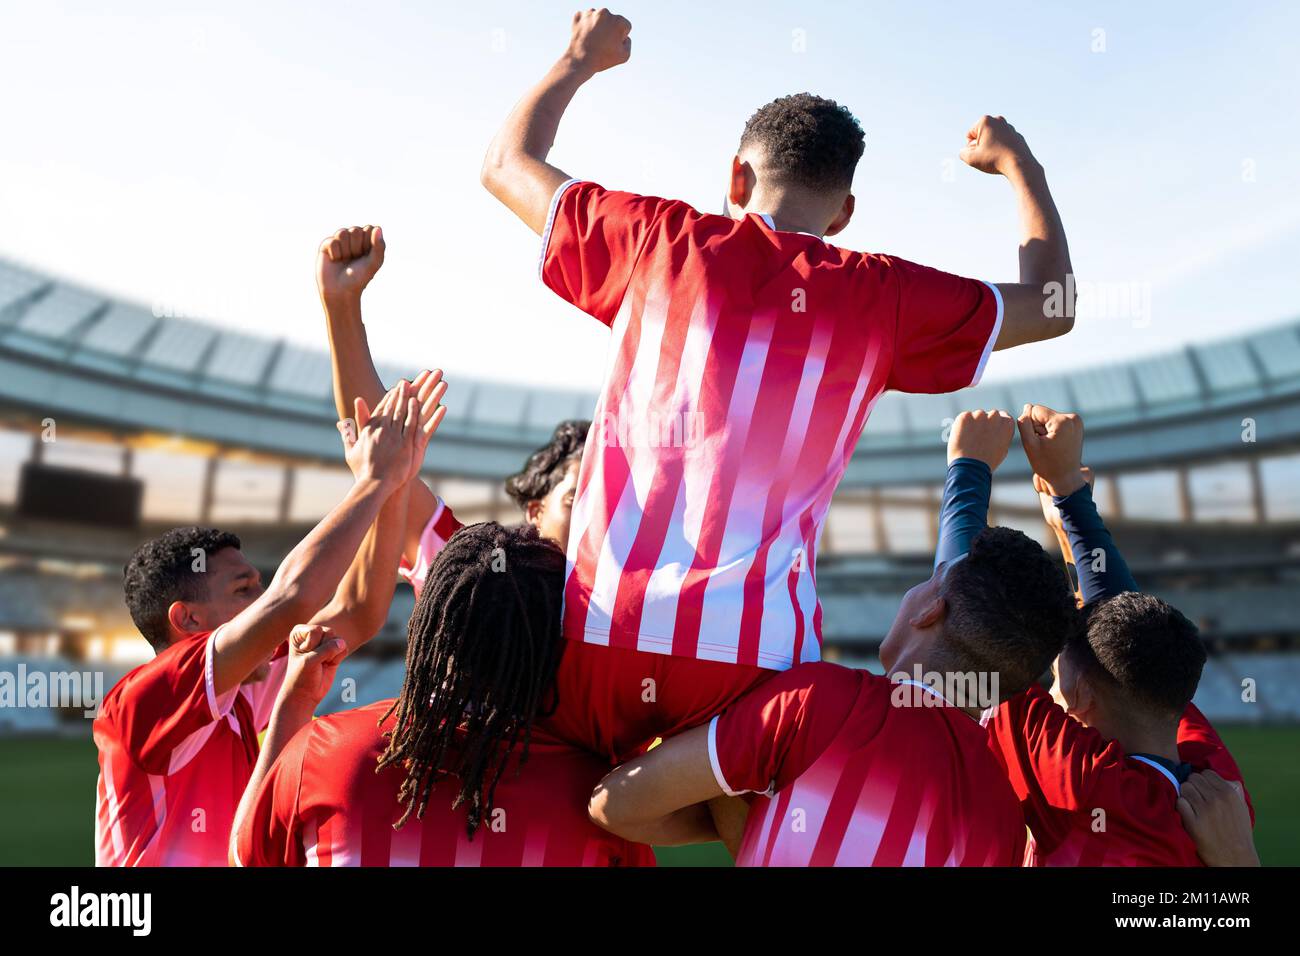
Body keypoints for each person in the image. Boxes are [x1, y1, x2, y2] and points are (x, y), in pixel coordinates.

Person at [480, 9, 1079, 763]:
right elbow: (1054, 303)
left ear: (736, 176)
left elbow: (505, 163)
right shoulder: (885, 296)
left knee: (571, 809)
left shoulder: (656, 240)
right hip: (757, 660)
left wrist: (579, 58)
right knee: (741, 829)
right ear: (845, 214)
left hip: (596, 626)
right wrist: (1021, 163)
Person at [586, 411, 1076, 865]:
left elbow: (617, 803)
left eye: (928, 582)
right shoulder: (1008, 822)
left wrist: (758, 827)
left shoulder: (821, 702)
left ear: (930, 610)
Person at [94, 377, 445, 866]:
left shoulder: (238, 695)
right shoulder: (142, 702)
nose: (260, 602)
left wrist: (397, 486)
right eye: (243, 591)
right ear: (188, 619)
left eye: (258, 587)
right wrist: (372, 482)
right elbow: (293, 599)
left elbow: (361, 609)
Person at [232, 523, 654, 867]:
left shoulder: (327, 754)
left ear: (429, 628)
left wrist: (295, 702)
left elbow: (246, 858)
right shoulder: (603, 796)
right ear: (556, 643)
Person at [945, 403, 1253, 865]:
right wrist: (1069, 500)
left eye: (1054, 673)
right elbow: (1124, 629)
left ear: (1081, 693)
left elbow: (970, 628)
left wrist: (967, 472)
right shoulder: (1216, 786)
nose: (1051, 686)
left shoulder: (1084, 782)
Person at [315, 223, 589, 578]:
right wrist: (342, 306)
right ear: (536, 513)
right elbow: (382, 449)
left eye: (616, 507)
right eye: (576, 500)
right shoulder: (479, 572)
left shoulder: (653, 608)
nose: (596, 518)